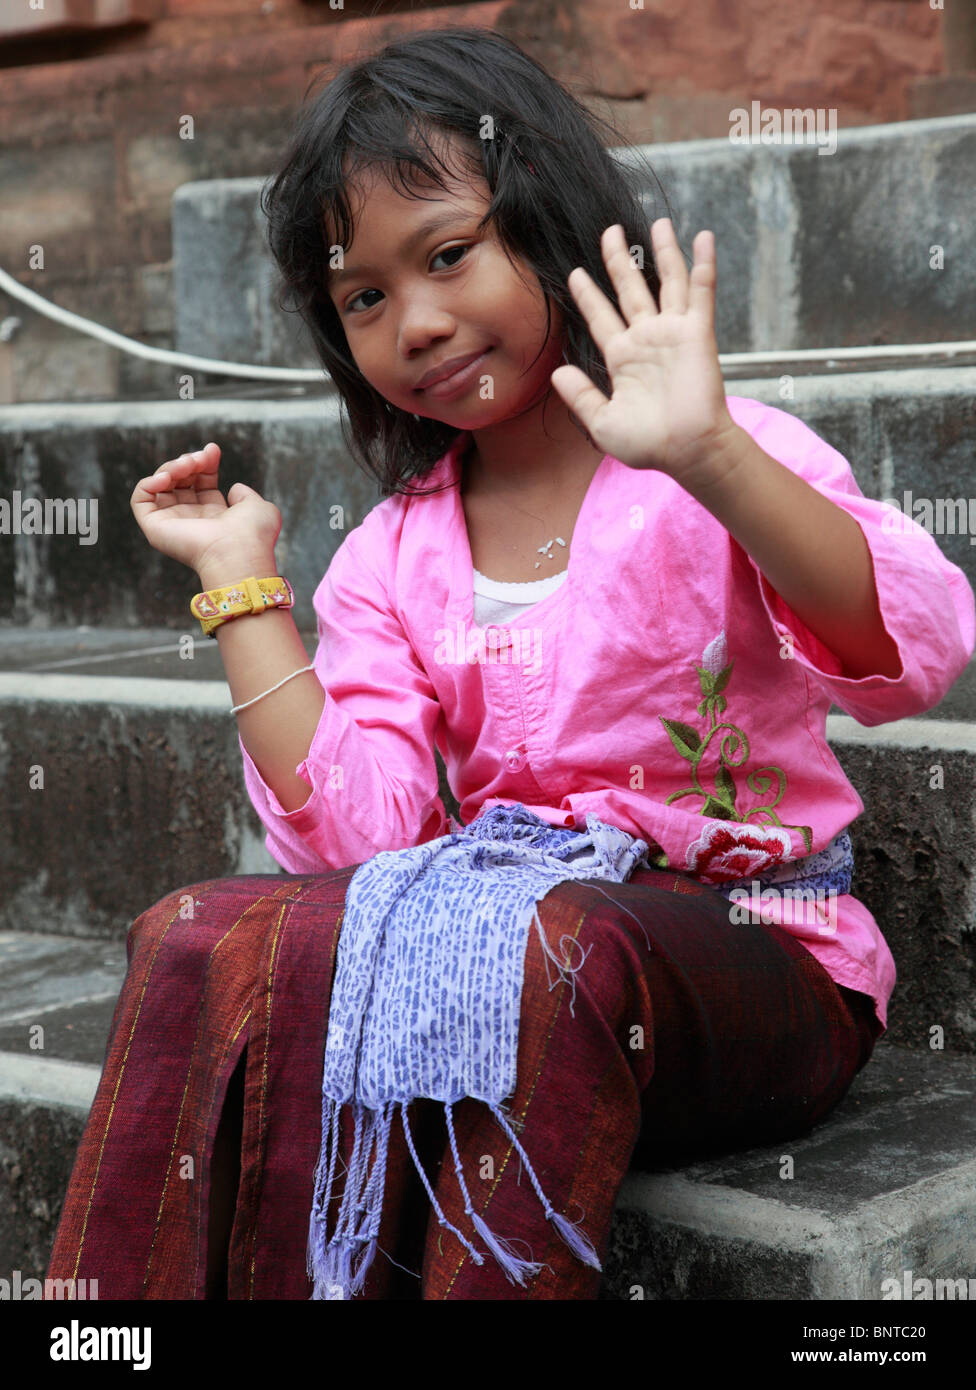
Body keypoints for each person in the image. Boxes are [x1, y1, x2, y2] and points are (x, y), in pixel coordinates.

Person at [46, 26, 975, 1301]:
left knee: (540, 943)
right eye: (364, 298)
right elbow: (358, 843)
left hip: (761, 952)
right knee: (197, 933)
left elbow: (910, 650)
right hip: (508, 942)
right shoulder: (390, 555)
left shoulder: (718, 453)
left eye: (447, 256)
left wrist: (709, 458)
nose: (417, 322)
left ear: (543, 218)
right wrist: (236, 584)